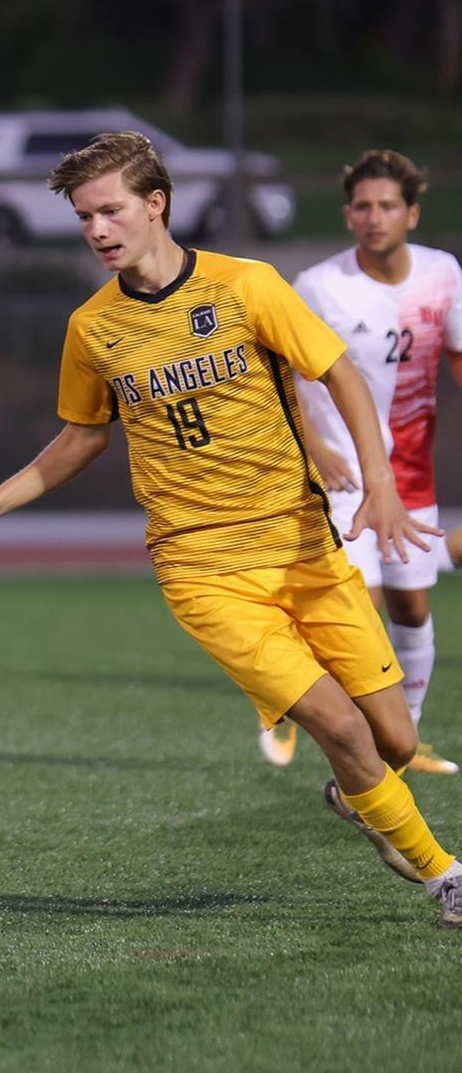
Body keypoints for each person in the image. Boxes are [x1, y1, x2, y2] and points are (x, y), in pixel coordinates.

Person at [0, 131, 462, 925]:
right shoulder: (93, 328)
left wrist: (379, 483)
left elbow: (337, 371)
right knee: (340, 724)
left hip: (307, 549)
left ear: (156, 203)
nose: (97, 230)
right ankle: (445, 874)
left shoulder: (247, 286)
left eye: (110, 211)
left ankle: (364, 796)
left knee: (395, 744)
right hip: (203, 570)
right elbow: (83, 434)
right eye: (83, 218)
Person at [257, 151, 462, 773]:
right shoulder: (320, 285)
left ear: (412, 213)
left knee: (413, 609)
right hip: (340, 475)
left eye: (388, 206)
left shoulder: (443, 273)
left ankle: (407, 743)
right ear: (348, 216)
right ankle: (284, 704)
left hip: (411, 476)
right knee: (358, 613)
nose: (376, 217)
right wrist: (315, 448)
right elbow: (277, 372)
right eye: (364, 206)